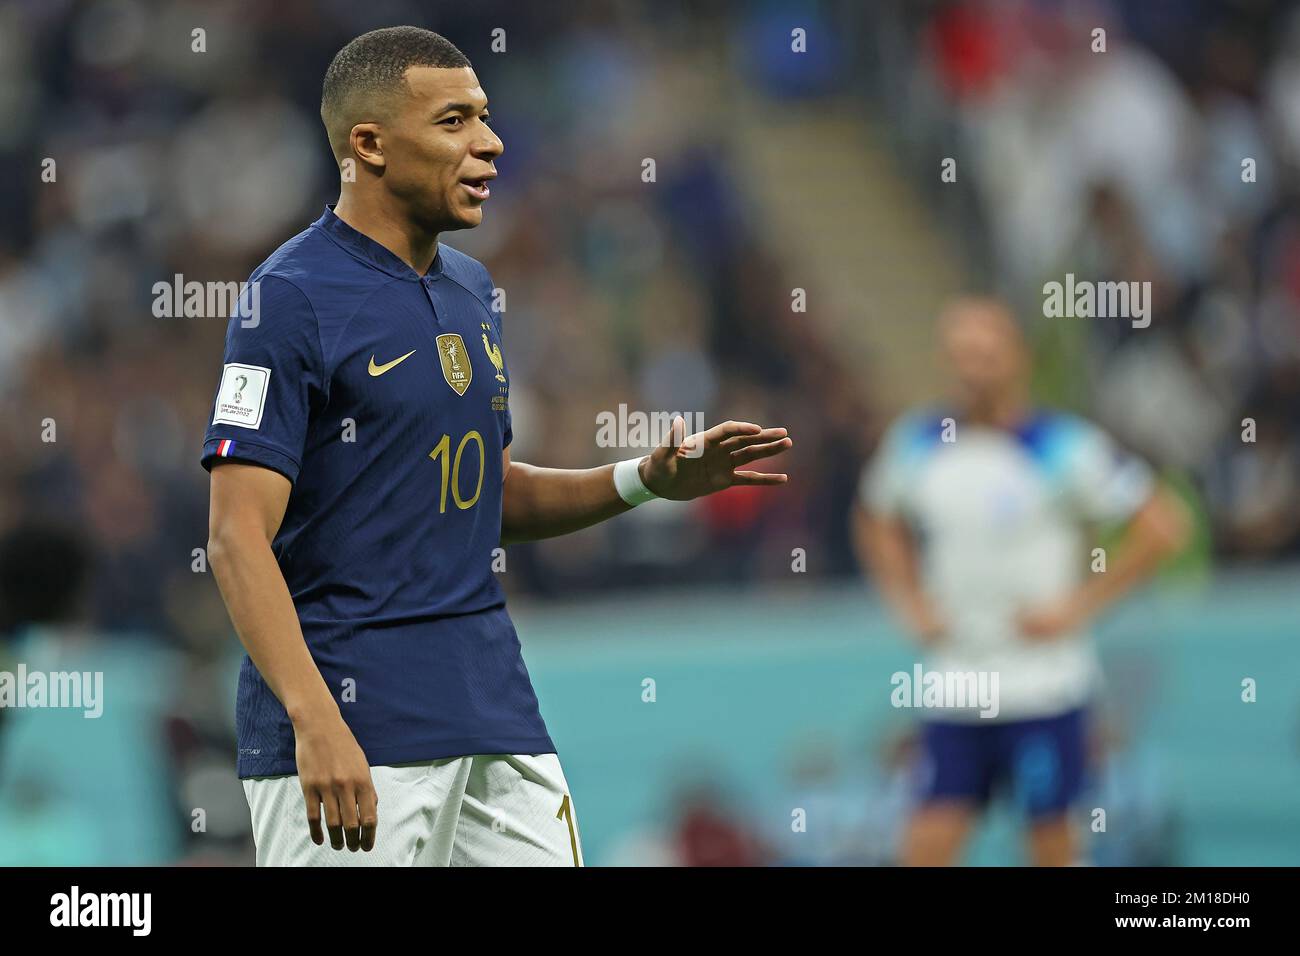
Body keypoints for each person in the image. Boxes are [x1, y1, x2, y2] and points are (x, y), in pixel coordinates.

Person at [202, 26, 792, 867]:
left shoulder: (473, 291)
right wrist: (315, 719)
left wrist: (644, 479)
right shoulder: (288, 298)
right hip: (354, 723)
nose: (490, 141)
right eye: (454, 122)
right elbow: (234, 536)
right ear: (368, 145)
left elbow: (486, 496)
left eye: (484, 117)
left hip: (494, 710)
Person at [853, 297, 1187, 866]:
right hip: (956, 683)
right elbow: (876, 517)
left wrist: (1079, 608)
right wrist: (908, 601)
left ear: (1016, 359)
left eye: (985, 353)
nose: (972, 368)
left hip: (1043, 686)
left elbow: (1163, 525)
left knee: (1051, 848)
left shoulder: (1063, 446)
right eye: (961, 355)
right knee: (925, 847)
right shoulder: (918, 443)